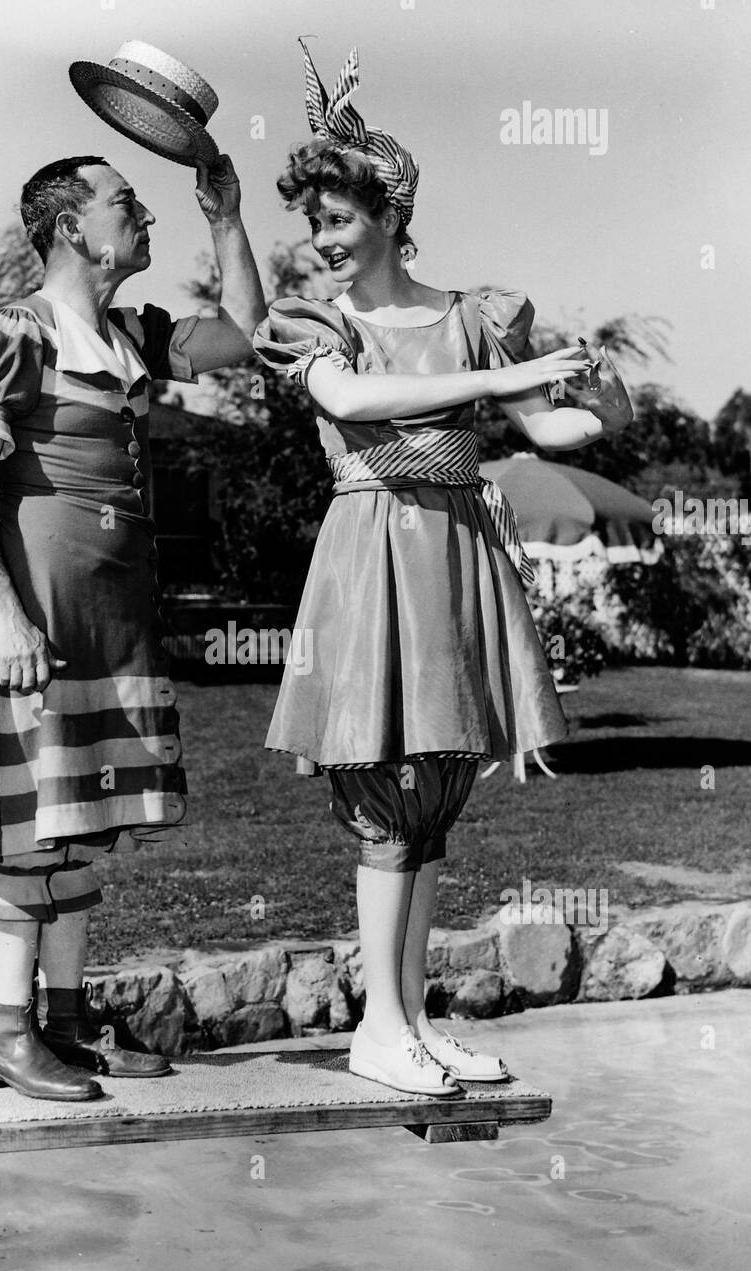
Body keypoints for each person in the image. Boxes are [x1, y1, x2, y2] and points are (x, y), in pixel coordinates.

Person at [252, 42, 633, 1096]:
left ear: (389, 213)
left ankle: (409, 1021)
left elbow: (545, 427)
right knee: (384, 790)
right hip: (373, 556)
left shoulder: (470, 312)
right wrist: (508, 372)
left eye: (337, 220)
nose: (321, 242)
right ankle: (379, 1027)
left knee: (430, 799)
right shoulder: (324, 326)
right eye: (312, 222)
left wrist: (603, 399)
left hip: (455, 553)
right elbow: (350, 404)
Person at [0, 154, 264, 1100]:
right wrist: (6, 613)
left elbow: (243, 332)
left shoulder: (131, 335)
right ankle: (7, 1030)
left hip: (112, 627)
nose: (145, 214)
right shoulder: (11, 335)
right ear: (72, 227)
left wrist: (228, 218)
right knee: (23, 834)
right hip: (36, 619)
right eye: (125, 203)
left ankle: (66, 1022)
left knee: (80, 828)